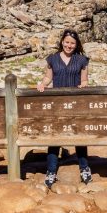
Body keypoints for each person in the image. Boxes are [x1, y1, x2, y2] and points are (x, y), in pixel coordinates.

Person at [36, 29, 91, 188]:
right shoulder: (52, 59)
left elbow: (85, 80)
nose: (69, 45)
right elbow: (48, 77)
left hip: (75, 104)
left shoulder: (82, 60)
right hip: (57, 105)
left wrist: (84, 85)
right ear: (62, 42)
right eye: (67, 42)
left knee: (79, 136)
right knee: (55, 138)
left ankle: (84, 168)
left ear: (76, 44)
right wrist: (42, 84)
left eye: (72, 43)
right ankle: (51, 170)